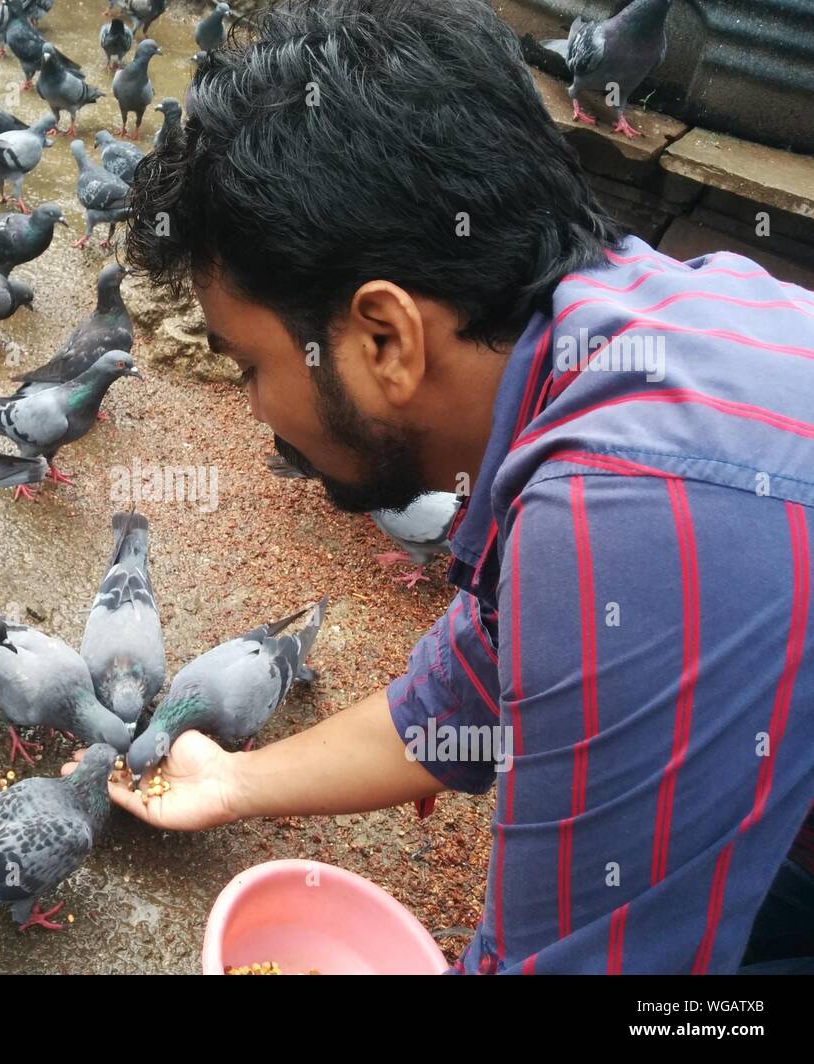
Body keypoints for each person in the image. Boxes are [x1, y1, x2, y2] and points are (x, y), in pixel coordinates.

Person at [66, 0, 814, 974]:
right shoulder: (633, 325)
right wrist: (234, 780)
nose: (254, 409)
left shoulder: (629, 511)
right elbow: (467, 687)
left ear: (384, 337)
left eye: (247, 363)